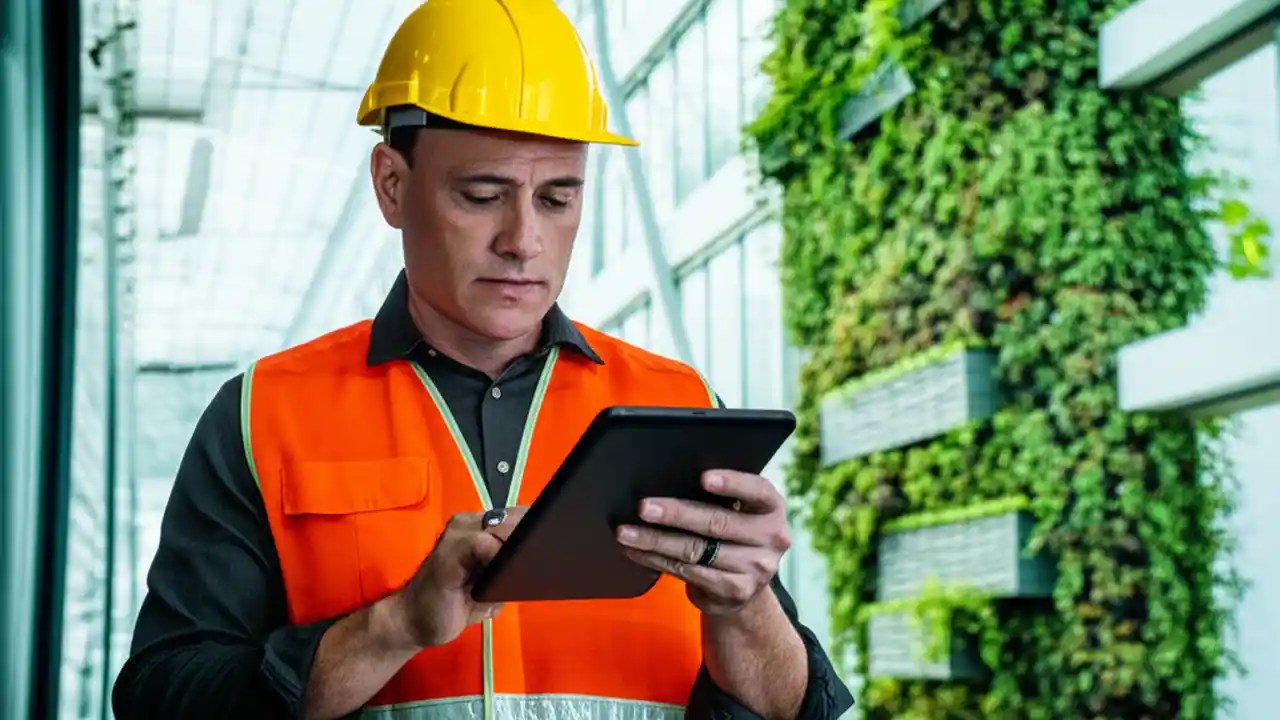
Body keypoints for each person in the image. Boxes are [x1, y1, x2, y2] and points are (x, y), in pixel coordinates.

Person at [112, 1, 854, 718]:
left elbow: (792, 709)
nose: (524, 239)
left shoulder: (678, 401)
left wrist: (747, 605)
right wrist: (393, 626)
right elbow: (162, 696)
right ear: (391, 186)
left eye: (558, 199)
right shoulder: (265, 414)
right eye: (481, 194)